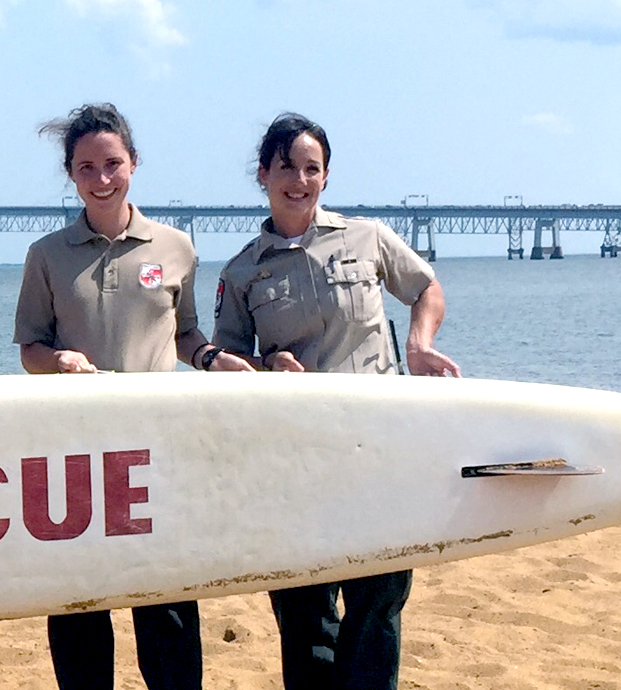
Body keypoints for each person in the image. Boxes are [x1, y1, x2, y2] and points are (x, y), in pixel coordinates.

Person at [212, 112, 461, 690]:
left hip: (378, 446)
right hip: (294, 456)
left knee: (378, 599)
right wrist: (266, 365)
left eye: (312, 168)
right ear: (263, 174)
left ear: (326, 175)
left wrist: (420, 344)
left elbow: (425, 288)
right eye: (286, 168)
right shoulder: (242, 271)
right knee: (305, 612)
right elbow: (228, 361)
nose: (299, 181)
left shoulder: (367, 237)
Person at [13, 103, 253, 690]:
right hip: (74, 451)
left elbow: (186, 332)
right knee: (80, 601)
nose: (101, 179)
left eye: (112, 164)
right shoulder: (46, 254)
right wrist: (59, 360)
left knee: (165, 599)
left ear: (134, 164)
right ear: (70, 174)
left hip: (156, 447)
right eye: (86, 167)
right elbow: (30, 349)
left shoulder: (176, 246)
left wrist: (212, 359)